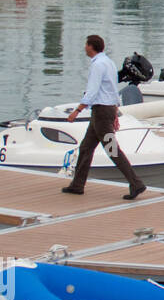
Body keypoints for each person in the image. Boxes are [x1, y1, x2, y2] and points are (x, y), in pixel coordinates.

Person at [62, 34, 146, 200]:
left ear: (91, 47)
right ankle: (77, 185)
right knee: (86, 148)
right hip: (104, 111)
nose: (85, 47)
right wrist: (115, 111)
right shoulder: (108, 62)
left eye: (86, 45)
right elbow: (113, 90)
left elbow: (92, 92)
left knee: (112, 149)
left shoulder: (98, 65)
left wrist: (77, 111)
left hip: (101, 112)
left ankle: (136, 183)